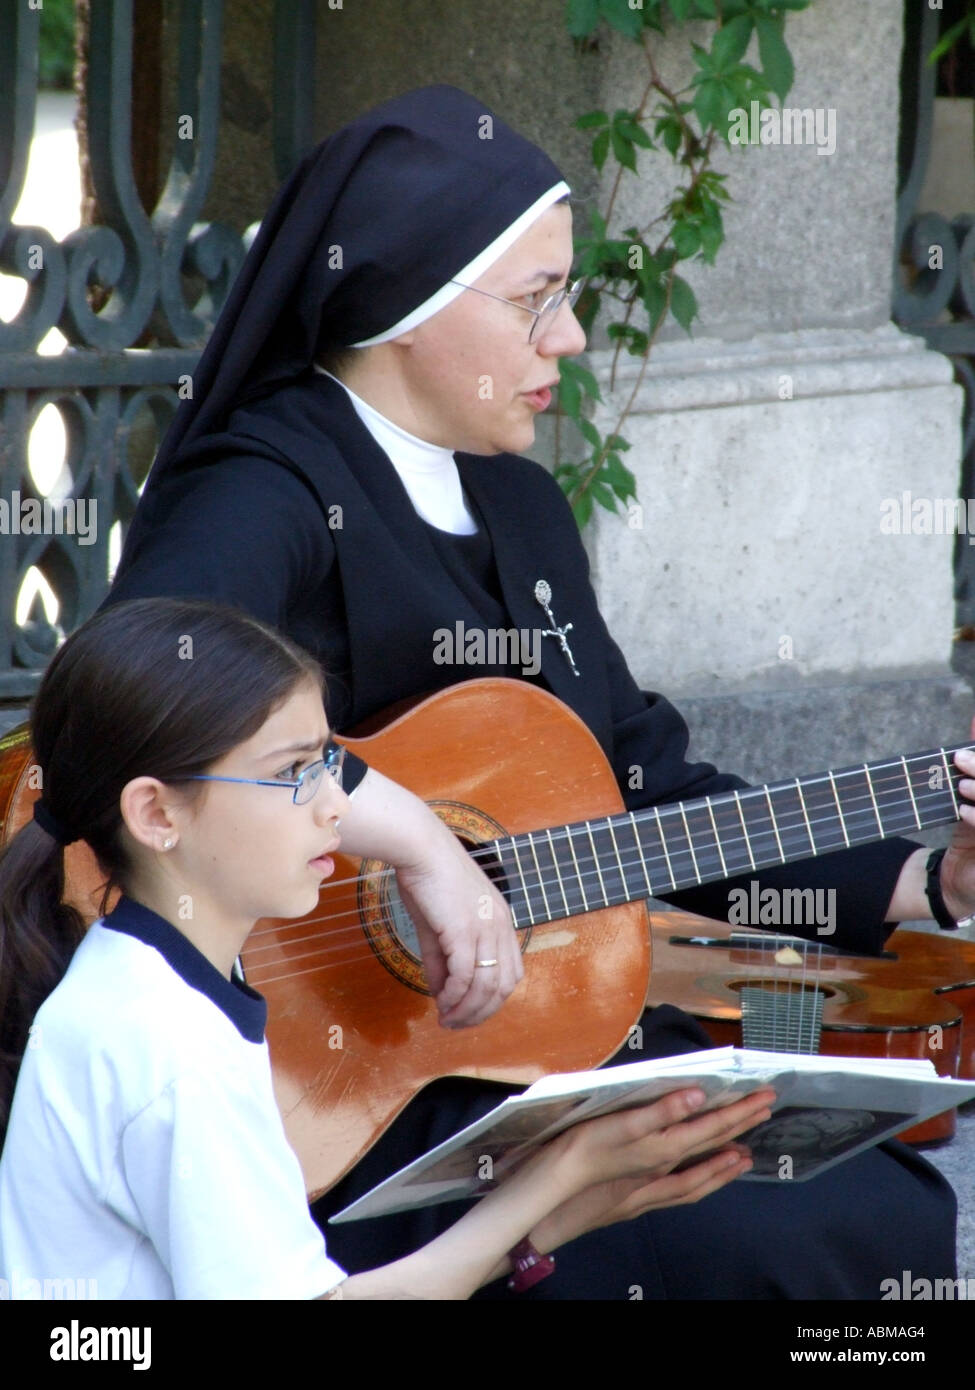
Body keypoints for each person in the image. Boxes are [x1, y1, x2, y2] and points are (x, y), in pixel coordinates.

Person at [103, 85, 975, 1299]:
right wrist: (416, 840)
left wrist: (930, 875)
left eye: (568, 297)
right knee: (746, 1252)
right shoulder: (270, 489)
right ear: (405, 309)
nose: (569, 338)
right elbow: (142, 694)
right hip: (323, 1088)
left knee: (872, 1211)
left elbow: (644, 792)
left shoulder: (522, 505)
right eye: (535, 301)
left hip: (519, 1051)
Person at [0, 597, 776, 1300]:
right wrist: (559, 1176)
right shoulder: (169, 1047)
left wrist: (552, 1218)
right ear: (155, 813)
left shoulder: (159, 981)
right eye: (293, 774)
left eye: (328, 763)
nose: (336, 807)